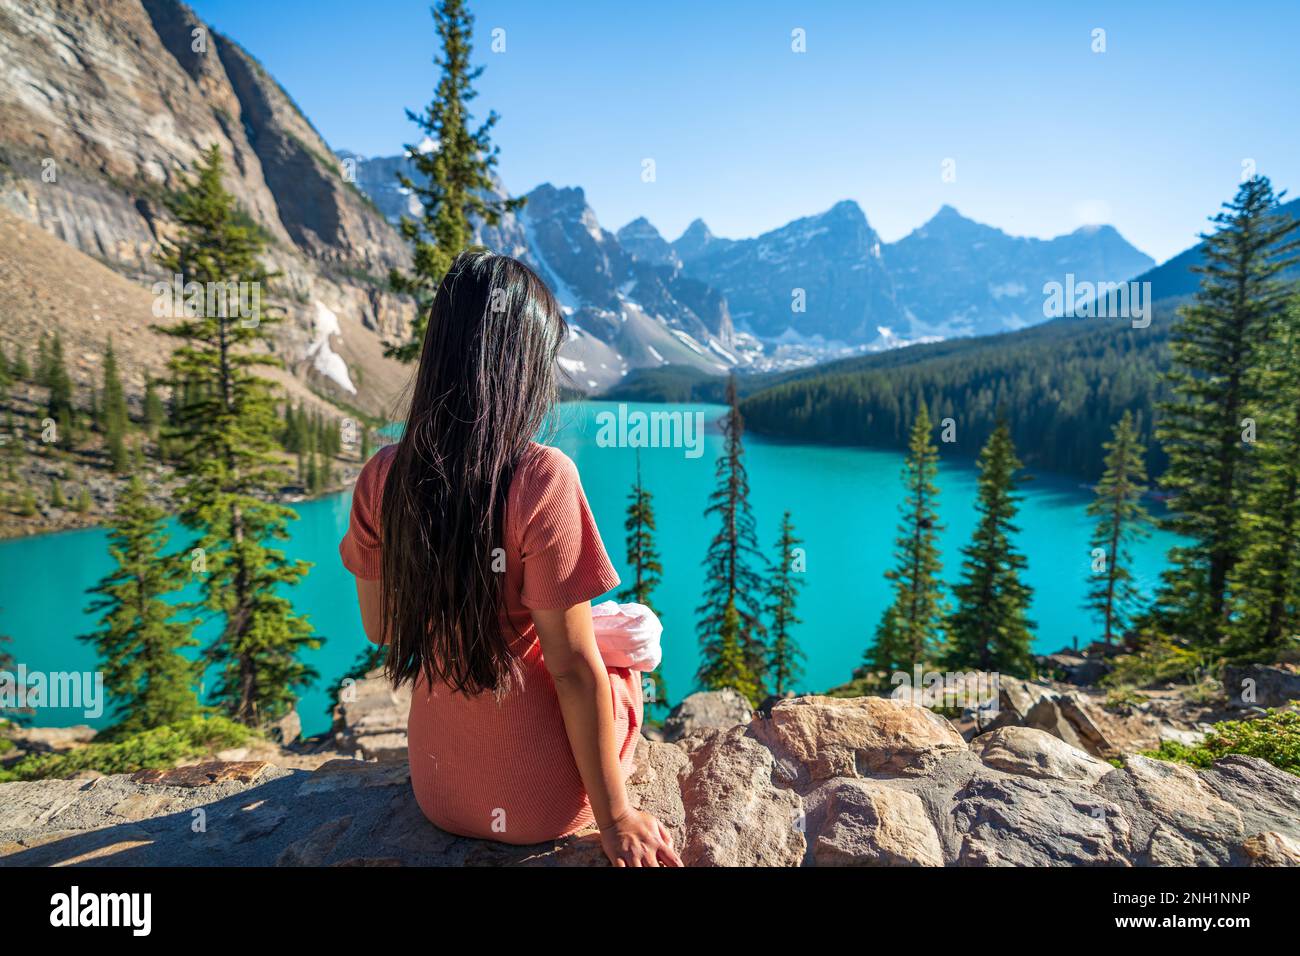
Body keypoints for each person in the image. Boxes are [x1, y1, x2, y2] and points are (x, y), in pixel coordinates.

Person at [340, 250, 681, 867]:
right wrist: (618, 818)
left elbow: (384, 629)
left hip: (437, 790)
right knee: (619, 668)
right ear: (523, 366)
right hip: (538, 806)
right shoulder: (542, 478)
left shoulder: (382, 477)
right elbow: (574, 671)